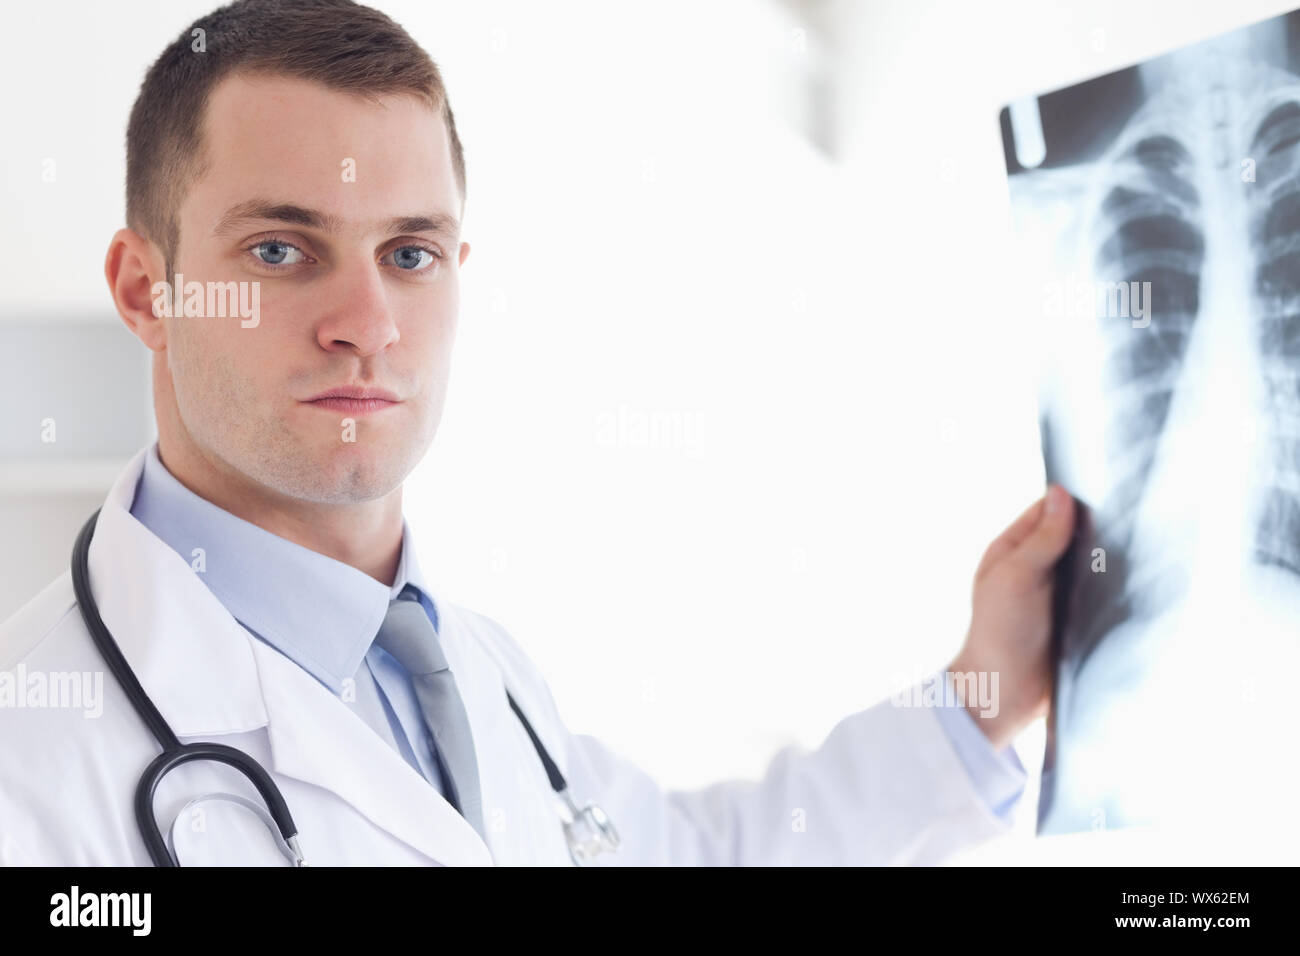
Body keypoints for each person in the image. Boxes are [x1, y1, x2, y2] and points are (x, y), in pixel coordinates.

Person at [0, 0, 1076, 866]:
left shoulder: (479, 673)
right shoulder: (33, 764)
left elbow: (705, 853)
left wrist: (985, 686)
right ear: (148, 291)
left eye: (409, 253)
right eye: (281, 250)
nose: (366, 326)